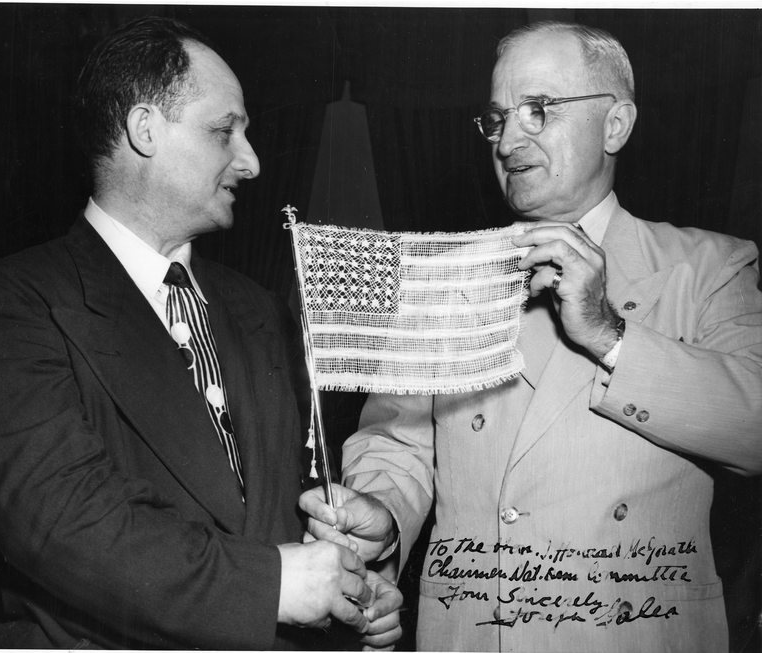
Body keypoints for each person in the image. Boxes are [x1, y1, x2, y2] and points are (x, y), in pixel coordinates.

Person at [300, 20, 762, 652]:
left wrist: (609, 333)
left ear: (616, 125)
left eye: (539, 110)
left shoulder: (709, 267)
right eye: (497, 118)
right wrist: (380, 517)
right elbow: (396, 442)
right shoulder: (443, 278)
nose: (508, 138)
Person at [0, 15, 403, 650]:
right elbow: (57, 518)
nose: (251, 162)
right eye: (225, 131)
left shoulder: (260, 310)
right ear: (145, 131)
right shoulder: (10, 303)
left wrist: (352, 589)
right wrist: (277, 584)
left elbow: (284, 514)